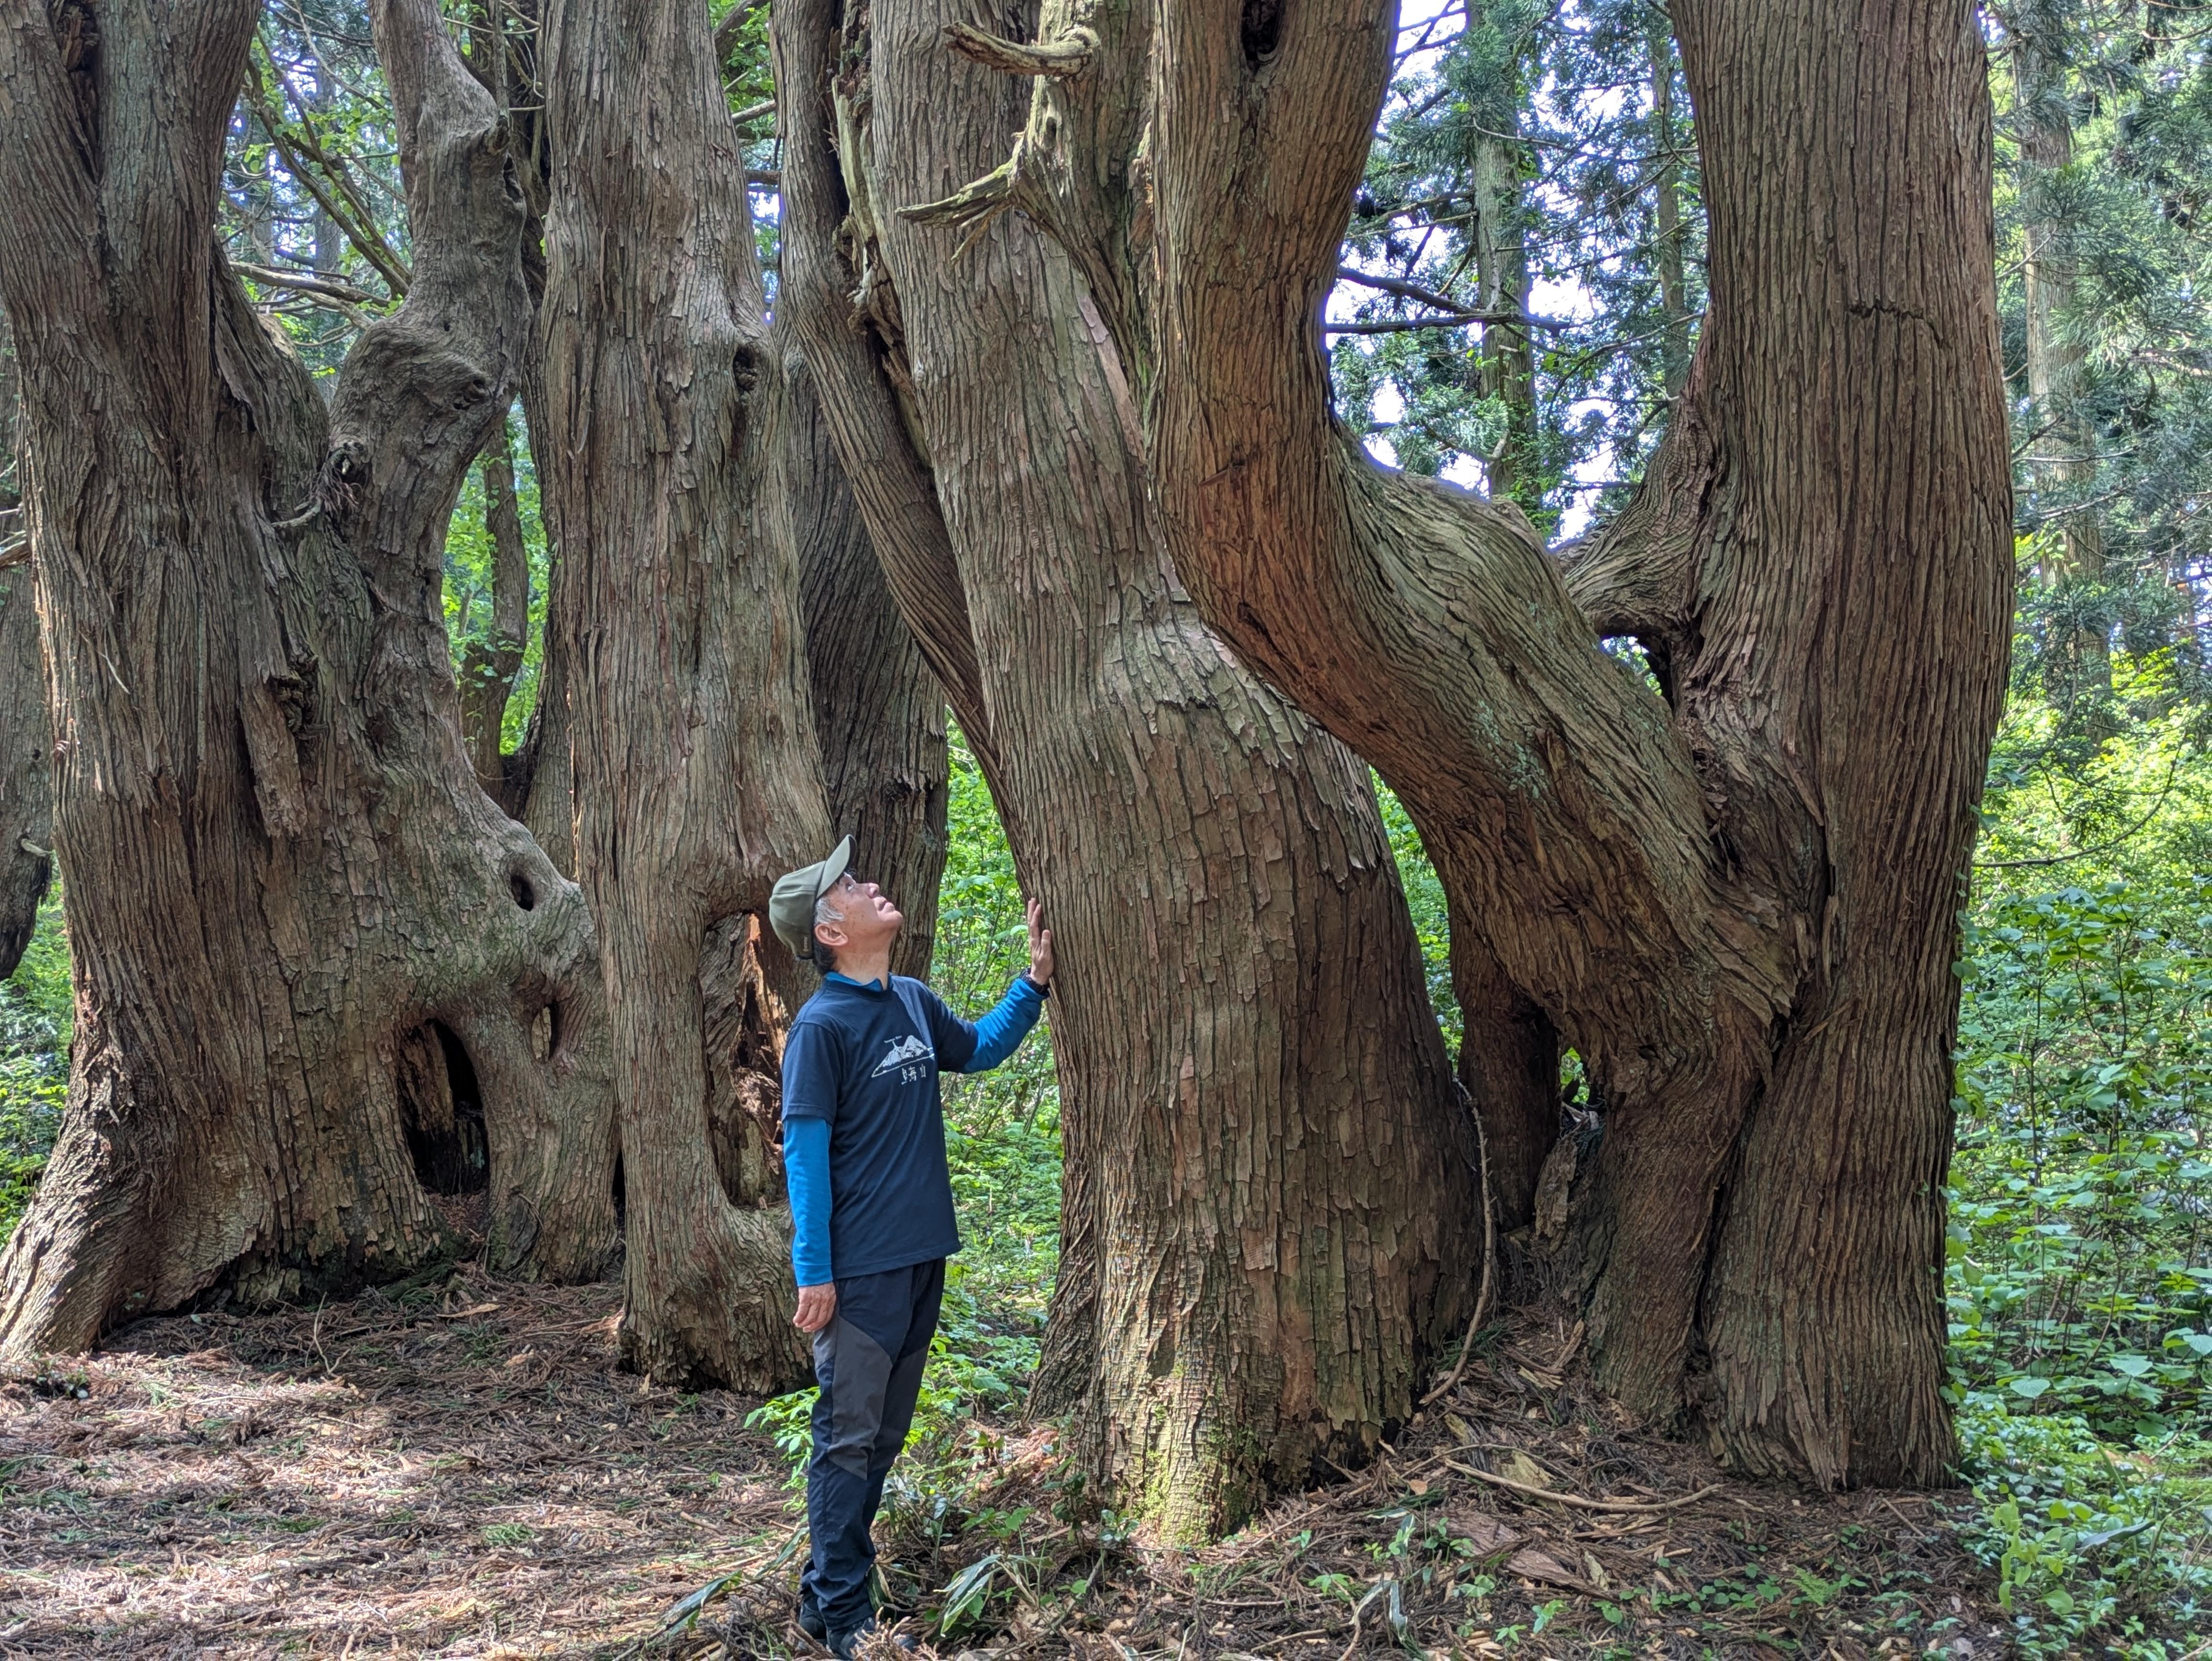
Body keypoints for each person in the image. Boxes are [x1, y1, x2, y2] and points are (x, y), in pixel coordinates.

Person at [767, 836, 1055, 1659]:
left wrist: (1032, 984)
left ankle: (824, 1600)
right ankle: (847, 1621)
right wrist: (814, 1273)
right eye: (853, 886)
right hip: (859, 1273)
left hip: (922, 1257)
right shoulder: (821, 1030)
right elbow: (805, 1157)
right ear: (830, 932)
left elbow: (979, 1049)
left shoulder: (912, 1000)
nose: (872, 885)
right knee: (848, 1438)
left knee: (882, 1441)